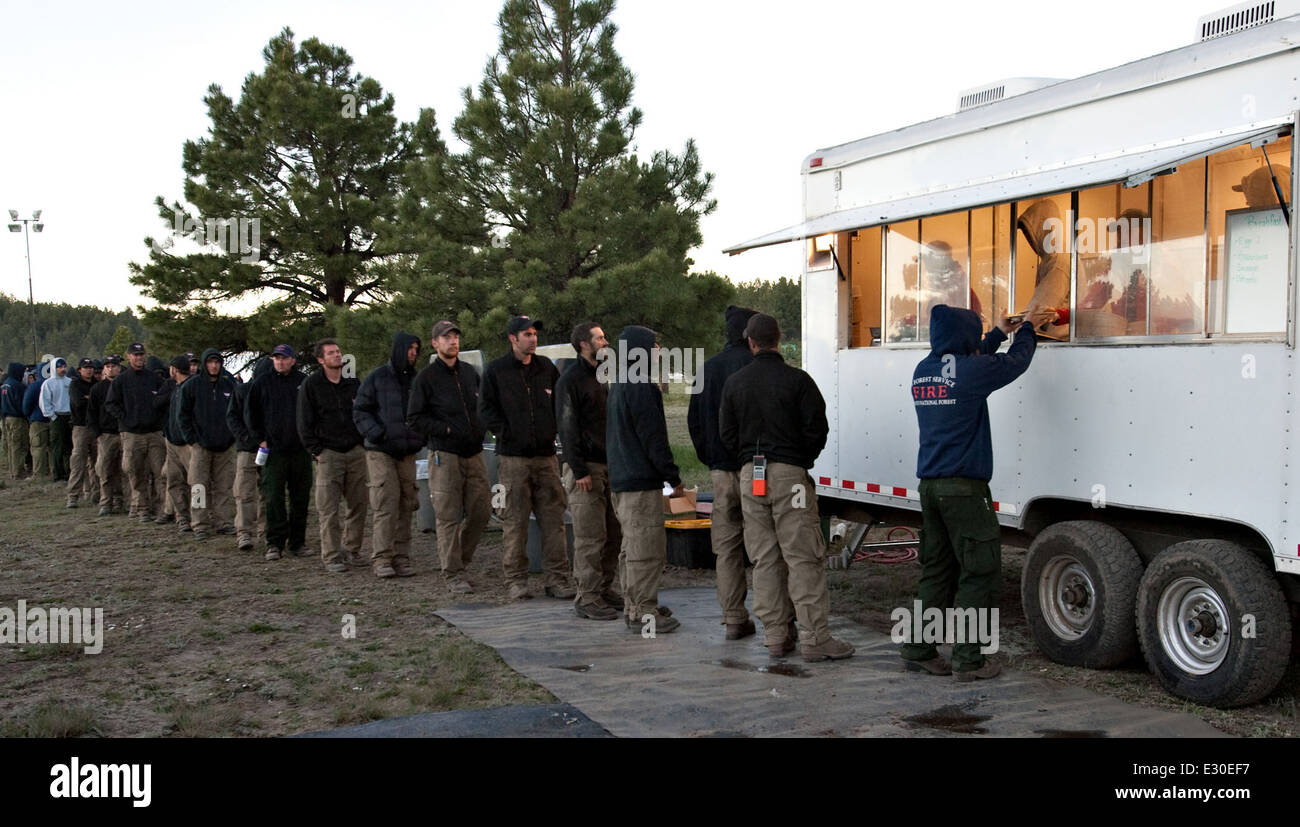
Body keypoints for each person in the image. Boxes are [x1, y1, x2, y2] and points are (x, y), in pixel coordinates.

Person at [900, 305, 1048, 680]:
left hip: (930, 488)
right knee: (978, 572)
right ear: (966, 336)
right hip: (964, 490)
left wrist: (997, 333)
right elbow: (1016, 362)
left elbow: (970, 357)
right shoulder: (970, 372)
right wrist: (1028, 328)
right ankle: (969, 660)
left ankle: (919, 647)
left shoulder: (924, 371)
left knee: (937, 570)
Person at [719, 313, 854, 662]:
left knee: (764, 557)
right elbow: (817, 430)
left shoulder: (735, 383)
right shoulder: (798, 381)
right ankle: (813, 637)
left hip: (751, 475)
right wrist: (798, 461)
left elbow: (727, 435)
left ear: (750, 343)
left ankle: (776, 636)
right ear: (779, 338)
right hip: (790, 476)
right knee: (803, 557)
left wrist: (749, 459)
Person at [479, 315, 575, 601]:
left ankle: (557, 579)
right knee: (515, 520)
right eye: (527, 334)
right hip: (513, 459)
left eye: (534, 334)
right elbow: (485, 410)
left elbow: (561, 402)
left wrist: (555, 430)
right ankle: (516, 580)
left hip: (546, 457)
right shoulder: (496, 371)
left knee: (553, 519)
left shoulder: (546, 368)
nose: (533, 339)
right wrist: (506, 433)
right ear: (513, 338)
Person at [688, 305, 769, 640]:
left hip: (721, 472)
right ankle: (778, 623)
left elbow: (694, 424)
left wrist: (712, 459)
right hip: (760, 469)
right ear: (751, 336)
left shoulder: (706, 370)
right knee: (766, 544)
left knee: (727, 547)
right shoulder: (760, 367)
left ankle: (734, 618)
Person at [607, 325, 683, 633]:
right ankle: (643, 612)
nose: (659, 352)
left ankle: (632, 605)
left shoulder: (619, 383)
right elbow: (654, 439)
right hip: (639, 482)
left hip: (623, 479)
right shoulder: (640, 386)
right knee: (645, 548)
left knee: (631, 546)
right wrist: (672, 477)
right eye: (654, 346)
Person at [406, 321, 490, 592]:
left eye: (455, 337)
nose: (453, 341)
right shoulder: (426, 378)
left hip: (474, 452)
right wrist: (446, 429)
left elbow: (483, 406)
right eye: (446, 338)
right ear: (435, 343)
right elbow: (414, 418)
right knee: (448, 515)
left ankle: (460, 560)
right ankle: (452, 573)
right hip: (444, 454)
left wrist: (482, 427)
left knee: (482, 510)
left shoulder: (470, 373)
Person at [556, 321, 623, 619]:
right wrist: (579, 469)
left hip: (610, 464)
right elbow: (567, 427)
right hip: (586, 469)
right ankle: (587, 596)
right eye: (599, 338)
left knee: (613, 532)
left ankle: (603, 588)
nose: (605, 341)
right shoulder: (570, 380)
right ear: (584, 344)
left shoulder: (605, 375)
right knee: (589, 535)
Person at [353, 332, 425, 578]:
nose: (414, 353)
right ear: (399, 349)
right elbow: (360, 410)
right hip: (380, 450)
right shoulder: (376, 378)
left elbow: (425, 413)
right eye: (410, 348)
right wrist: (377, 433)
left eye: (417, 349)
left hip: (407, 451)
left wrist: (418, 439)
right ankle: (382, 558)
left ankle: (401, 557)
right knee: (386, 502)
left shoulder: (417, 380)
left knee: (407, 502)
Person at [297, 339, 367, 573]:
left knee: (358, 504)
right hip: (328, 454)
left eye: (338, 351)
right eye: (331, 353)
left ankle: (352, 550)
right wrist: (316, 450)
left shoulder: (352, 383)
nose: (337, 356)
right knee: (329, 508)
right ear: (320, 359)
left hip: (355, 451)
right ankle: (331, 556)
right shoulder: (311, 385)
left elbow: (363, 412)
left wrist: (363, 442)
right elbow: (304, 422)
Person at [246, 345, 312, 560]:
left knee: (300, 498)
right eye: (276, 358)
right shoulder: (262, 383)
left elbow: (314, 413)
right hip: (274, 451)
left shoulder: (303, 382)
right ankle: (274, 543)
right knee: (273, 497)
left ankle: (298, 542)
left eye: (284, 358)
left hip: (300, 450)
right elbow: (251, 415)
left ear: (293, 360)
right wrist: (261, 439)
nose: (280, 362)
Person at [106, 343, 169, 520]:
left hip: (154, 432)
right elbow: (111, 404)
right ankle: (142, 508)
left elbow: (165, 399)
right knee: (135, 472)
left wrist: (159, 419)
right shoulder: (121, 380)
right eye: (136, 355)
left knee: (160, 473)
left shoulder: (154, 378)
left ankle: (162, 509)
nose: (139, 358)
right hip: (132, 434)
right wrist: (125, 419)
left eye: (141, 354)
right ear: (129, 356)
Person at [179, 349, 237, 540]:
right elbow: (183, 416)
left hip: (225, 446)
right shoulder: (191, 386)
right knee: (198, 486)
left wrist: (233, 437)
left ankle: (224, 522)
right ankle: (200, 524)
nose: (214, 366)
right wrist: (192, 440)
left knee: (224, 486)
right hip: (200, 446)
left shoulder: (229, 385)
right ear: (205, 364)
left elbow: (237, 412)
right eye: (211, 362)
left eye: (217, 362)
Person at [227, 357, 270, 551]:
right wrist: (244, 437)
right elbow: (233, 417)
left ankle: (267, 532)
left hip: (269, 449)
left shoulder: (274, 391)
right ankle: (244, 533)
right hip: (247, 449)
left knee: (268, 493)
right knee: (244, 493)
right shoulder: (242, 391)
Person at [88, 355, 124, 515]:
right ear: (104, 369)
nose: (110, 368)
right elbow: (91, 414)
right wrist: (97, 434)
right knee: (104, 470)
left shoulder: (125, 385)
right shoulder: (97, 389)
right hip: (106, 434)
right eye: (107, 366)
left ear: (119, 367)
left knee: (126, 470)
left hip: (125, 432)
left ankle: (124, 502)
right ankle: (106, 503)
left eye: (114, 365)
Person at [161, 356, 193, 531]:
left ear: (174, 369)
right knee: (174, 481)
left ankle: (199, 517)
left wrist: (192, 439)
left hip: (188, 444)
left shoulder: (192, 387)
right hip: (172, 442)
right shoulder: (175, 388)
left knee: (196, 482)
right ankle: (182, 517)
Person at [67, 358, 99, 506]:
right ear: (80, 370)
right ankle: (73, 496)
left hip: (96, 426)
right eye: (86, 367)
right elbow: (77, 402)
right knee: (78, 462)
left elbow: (101, 402)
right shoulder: (75, 384)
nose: (89, 370)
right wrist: (91, 399)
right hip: (80, 427)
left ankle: (96, 494)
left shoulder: (96, 384)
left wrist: (88, 398)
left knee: (97, 463)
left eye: (91, 367)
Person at [40, 358, 73, 482]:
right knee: (57, 447)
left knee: (68, 446)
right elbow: (44, 402)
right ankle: (58, 474)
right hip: (57, 417)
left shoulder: (69, 382)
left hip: (69, 416)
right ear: (54, 368)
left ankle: (69, 472)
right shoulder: (48, 383)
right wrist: (52, 416)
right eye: (59, 367)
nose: (62, 369)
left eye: (64, 366)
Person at [2, 362, 29, 480]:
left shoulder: (5, 384)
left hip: (6, 418)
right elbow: (23, 404)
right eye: (22, 372)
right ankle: (19, 473)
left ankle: (12, 471)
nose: (23, 375)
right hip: (18, 419)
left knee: (11, 445)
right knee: (20, 445)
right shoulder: (18, 386)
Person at [22, 365, 50, 480]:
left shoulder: (34, 386)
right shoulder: (55, 383)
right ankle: (54, 472)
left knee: (38, 448)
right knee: (52, 448)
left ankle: (39, 474)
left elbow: (26, 405)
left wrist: (29, 416)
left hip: (38, 420)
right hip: (53, 420)